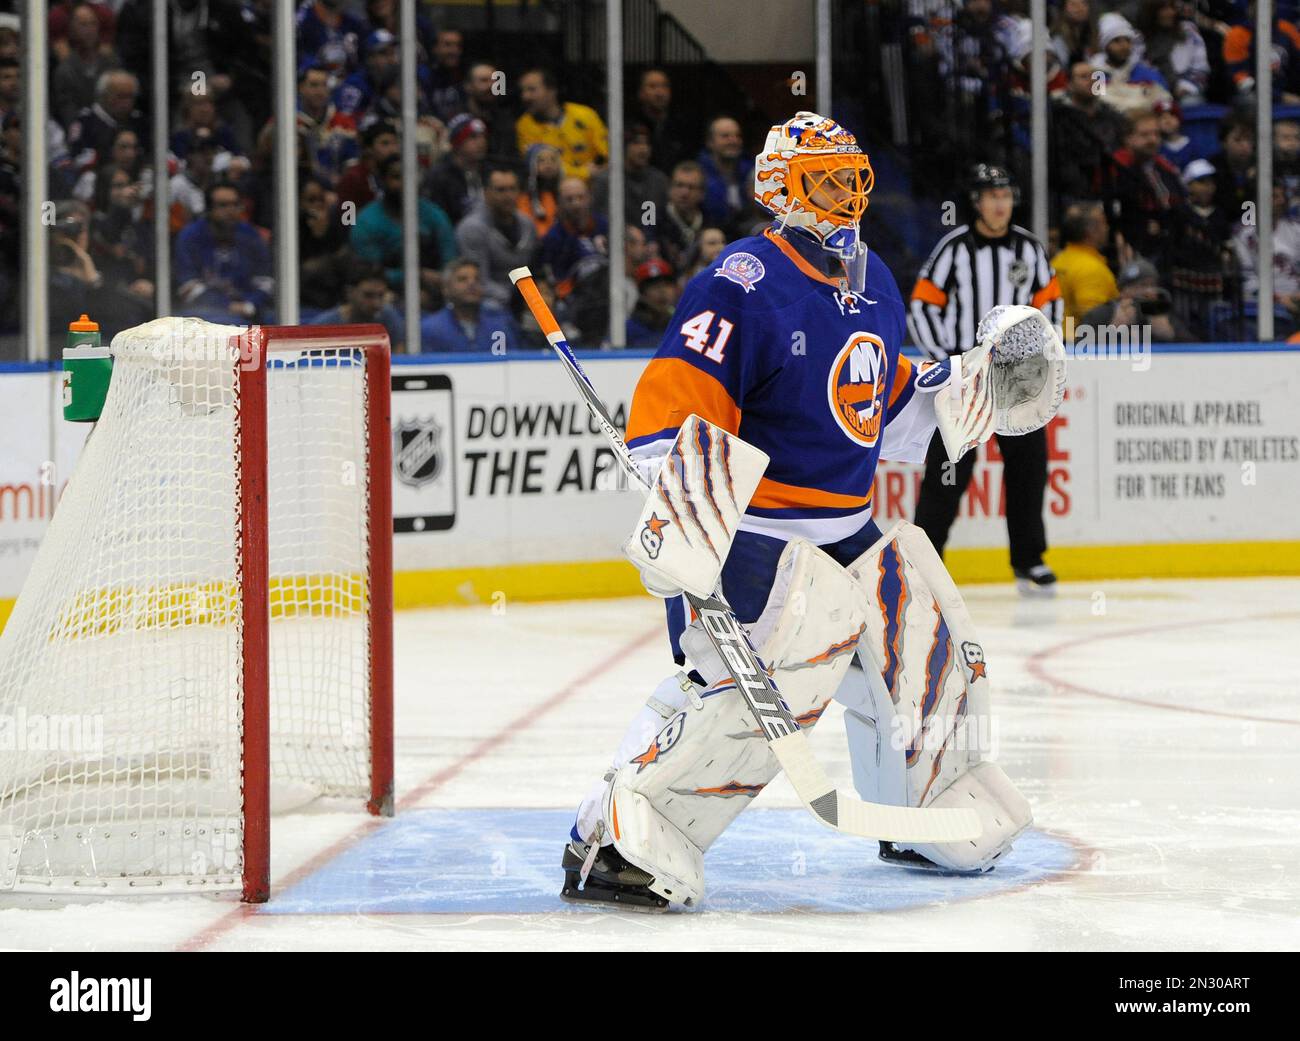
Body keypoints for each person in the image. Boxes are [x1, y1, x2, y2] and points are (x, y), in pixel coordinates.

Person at [562, 112, 1035, 909]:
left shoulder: (874, 280)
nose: (846, 196)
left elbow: (879, 402)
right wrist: (674, 497)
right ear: (780, 189)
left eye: (854, 178)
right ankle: (623, 827)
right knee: (785, 657)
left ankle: (929, 800)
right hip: (753, 536)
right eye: (826, 179)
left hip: (846, 525)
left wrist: (974, 386)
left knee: (927, 626)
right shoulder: (739, 279)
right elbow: (680, 398)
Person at [908, 164, 1063, 593]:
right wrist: (948, 362)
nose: (1000, 204)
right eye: (992, 196)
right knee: (948, 471)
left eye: (1006, 196)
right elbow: (921, 306)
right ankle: (925, 564)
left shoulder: (1030, 250)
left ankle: (1029, 560)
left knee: (1028, 469)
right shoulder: (954, 249)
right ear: (976, 202)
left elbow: (1051, 307)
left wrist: (1038, 358)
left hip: (1016, 380)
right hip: (965, 379)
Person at [351, 153, 457, 303]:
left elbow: (450, 261)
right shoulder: (367, 222)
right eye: (396, 177)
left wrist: (441, 282)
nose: (405, 183)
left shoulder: (434, 214)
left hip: (436, 293)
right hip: (384, 296)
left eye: (410, 176)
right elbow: (370, 273)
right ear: (382, 180)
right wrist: (418, 276)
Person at [173, 180, 274, 323]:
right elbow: (188, 285)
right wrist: (227, 305)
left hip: (249, 310)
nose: (230, 210)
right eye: (223, 205)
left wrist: (250, 304)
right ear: (209, 209)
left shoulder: (250, 235)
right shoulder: (190, 236)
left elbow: (265, 280)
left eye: (235, 205)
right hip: (204, 313)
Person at [456, 164, 540, 309]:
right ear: (486, 193)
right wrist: (516, 299)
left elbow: (536, 267)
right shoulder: (472, 228)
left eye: (512, 189)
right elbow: (477, 280)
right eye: (501, 190)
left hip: (525, 296)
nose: (508, 196)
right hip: (489, 300)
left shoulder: (527, 224)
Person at [514, 68, 608, 181]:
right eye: (523, 91)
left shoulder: (585, 114)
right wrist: (585, 172)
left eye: (532, 90)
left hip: (594, 186)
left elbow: (608, 152)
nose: (525, 96)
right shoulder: (524, 125)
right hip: (552, 190)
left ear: (552, 90)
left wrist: (603, 169)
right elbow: (543, 168)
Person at [1076, 255, 1193, 341]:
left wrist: (1170, 334)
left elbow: (1197, 351)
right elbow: (1077, 350)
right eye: (1140, 286)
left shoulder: (1163, 314)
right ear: (1122, 292)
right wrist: (1112, 329)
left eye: (1152, 285)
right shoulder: (1102, 314)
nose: (1148, 292)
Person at [421, 257, 521, 353]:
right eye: (462, 279)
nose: (471, 283)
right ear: (446, 288)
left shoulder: (501, 323)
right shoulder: (430, 329)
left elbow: (514, 361)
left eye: (477, 279)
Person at [312, 258, 405, 353]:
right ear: (350, 292)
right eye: (368, 295)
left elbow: (399, 359)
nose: (376, 303)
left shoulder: (390, 317)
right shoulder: (324, 326)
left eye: (381, 295)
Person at [1051, 200, 1119, 328]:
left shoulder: (1057, 261)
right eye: (1103, 223)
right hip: (1078, 344)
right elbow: (1095, 321)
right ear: (1090, 231)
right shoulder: (1091, 269)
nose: (1107, 227)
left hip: (1056, 339)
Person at [1088, 12, 1171, 114]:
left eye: (1127, 40)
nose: (1124, 46)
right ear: (1105, 46)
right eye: (1116, 41)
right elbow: (1096, 106)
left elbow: (1165, 103)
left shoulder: (1147, 73)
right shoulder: (1096, 75)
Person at [539, 175, 608, 296]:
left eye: (581, 197)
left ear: (590, 198)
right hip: (575, 299)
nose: (576, 204)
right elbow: (555, 279)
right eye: (569, 199)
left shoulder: (606, 227)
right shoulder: (553, 238)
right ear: (559, 203)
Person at [425, 113, 487, 226]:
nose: (481, 142)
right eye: (473, 137)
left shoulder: (488, 172)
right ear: (457, 142)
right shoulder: (440, 178)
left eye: (483, 136)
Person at [696, 116, 754, 231]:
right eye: (725, 136)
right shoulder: (698, 175)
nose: (733, 141)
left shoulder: (752, 171)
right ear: (710, 142)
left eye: (737, 136)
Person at [336, 119, 399, 213]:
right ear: (369, 148)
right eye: (385, 143)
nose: (392, 149)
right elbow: (347, 220)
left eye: (394, 143)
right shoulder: (353, 178)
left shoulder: (398, 176)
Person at [623, 257, 678, 348]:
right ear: (642, 293)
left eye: (667, 285)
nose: (662, 291)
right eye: (654, 286)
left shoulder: (681, 324)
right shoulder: (629, 329)